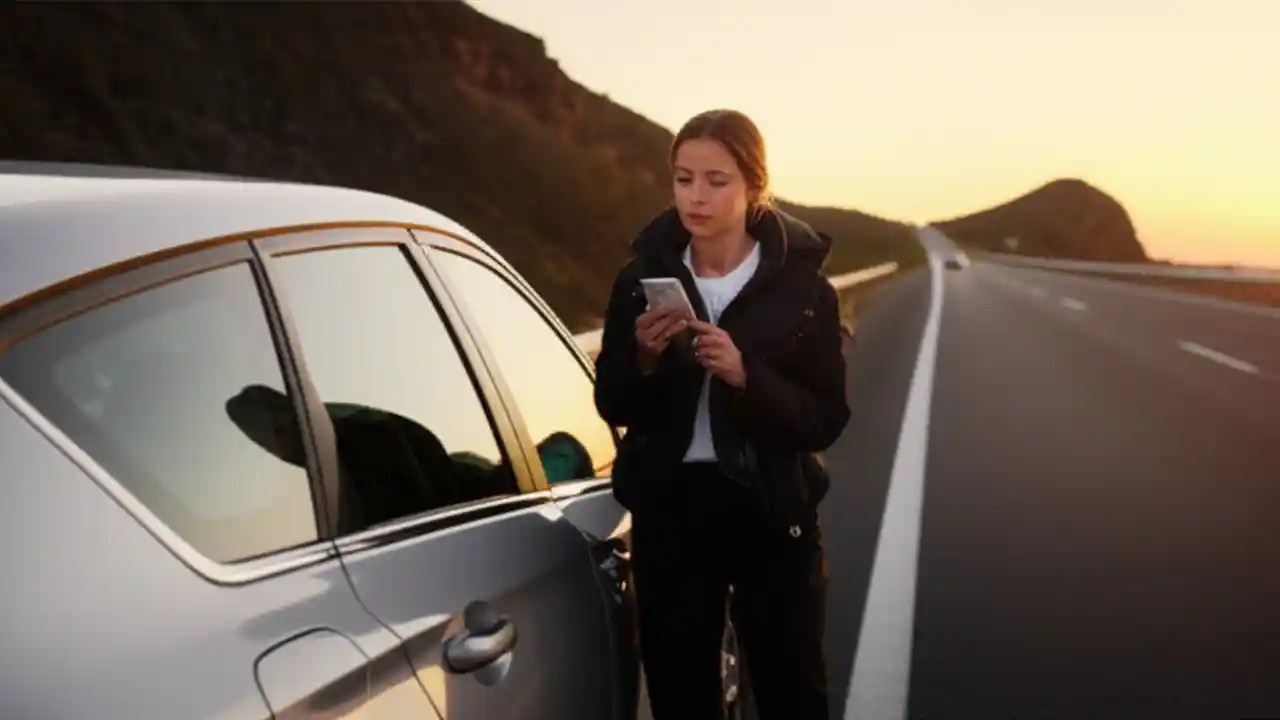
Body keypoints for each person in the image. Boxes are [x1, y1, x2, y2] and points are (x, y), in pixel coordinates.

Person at [593, 109, 851, 719]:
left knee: (793, 697)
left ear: (755, 186)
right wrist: (646, 357)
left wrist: (745, 376)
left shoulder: (804, 288)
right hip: (671, 513)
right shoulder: (640, 278)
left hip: (772, 512)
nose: (696, 197)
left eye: (716, 180)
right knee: (682, 700)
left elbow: (825, 419)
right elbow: (613, 401)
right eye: (684, 179)